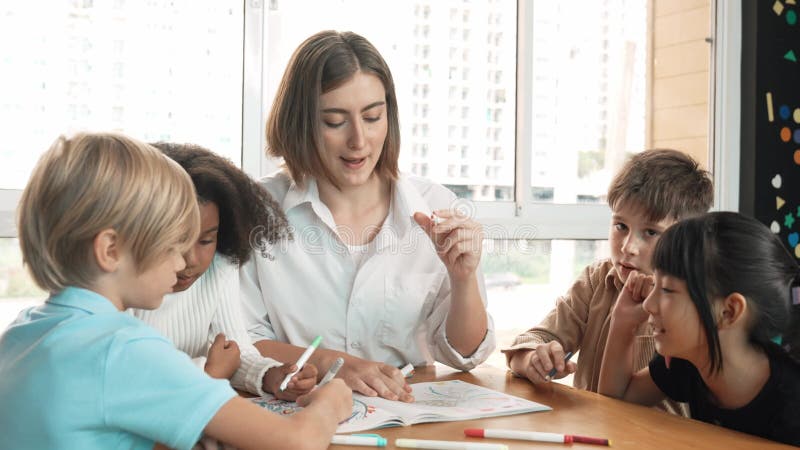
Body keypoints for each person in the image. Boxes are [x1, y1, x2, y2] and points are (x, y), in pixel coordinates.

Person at [0, 132, 351, 450]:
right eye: (171, 242)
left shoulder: (21, 333)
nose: (182, 262)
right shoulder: (125, 349)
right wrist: (331, 400)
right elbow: (297, 442)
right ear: (110, 251)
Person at [240, 30, 495, 402]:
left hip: (405, 419)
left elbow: (465, 354)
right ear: (301, 123)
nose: (359, 140)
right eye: (334, 121)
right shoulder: (258, 209)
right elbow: (240, 341)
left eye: (373, 117)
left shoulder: (432, 204)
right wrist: (334, 364)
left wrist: (464, 279)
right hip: (299, 421)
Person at [502, 149, 713, 414]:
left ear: (686, 240)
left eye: (650, 232)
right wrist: (533, 358)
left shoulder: (693, 302)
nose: (628, 247)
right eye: (620, 226)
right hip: (591, 431)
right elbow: (533, 339)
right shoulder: (596, 280)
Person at [598, 212, 800, 445]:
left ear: (729, 311)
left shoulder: (791, 406)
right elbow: (616, 402)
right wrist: (622, 322)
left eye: (667, 290)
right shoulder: (689, 363)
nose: (648, 304)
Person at [130, 142, 313, 399]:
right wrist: (211, 372)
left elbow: (234, 351)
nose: (189, 260)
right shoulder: (124, 288)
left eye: (206, 240)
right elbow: (134, 380)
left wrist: (272, 375)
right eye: (176, 241)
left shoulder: (221, 263)